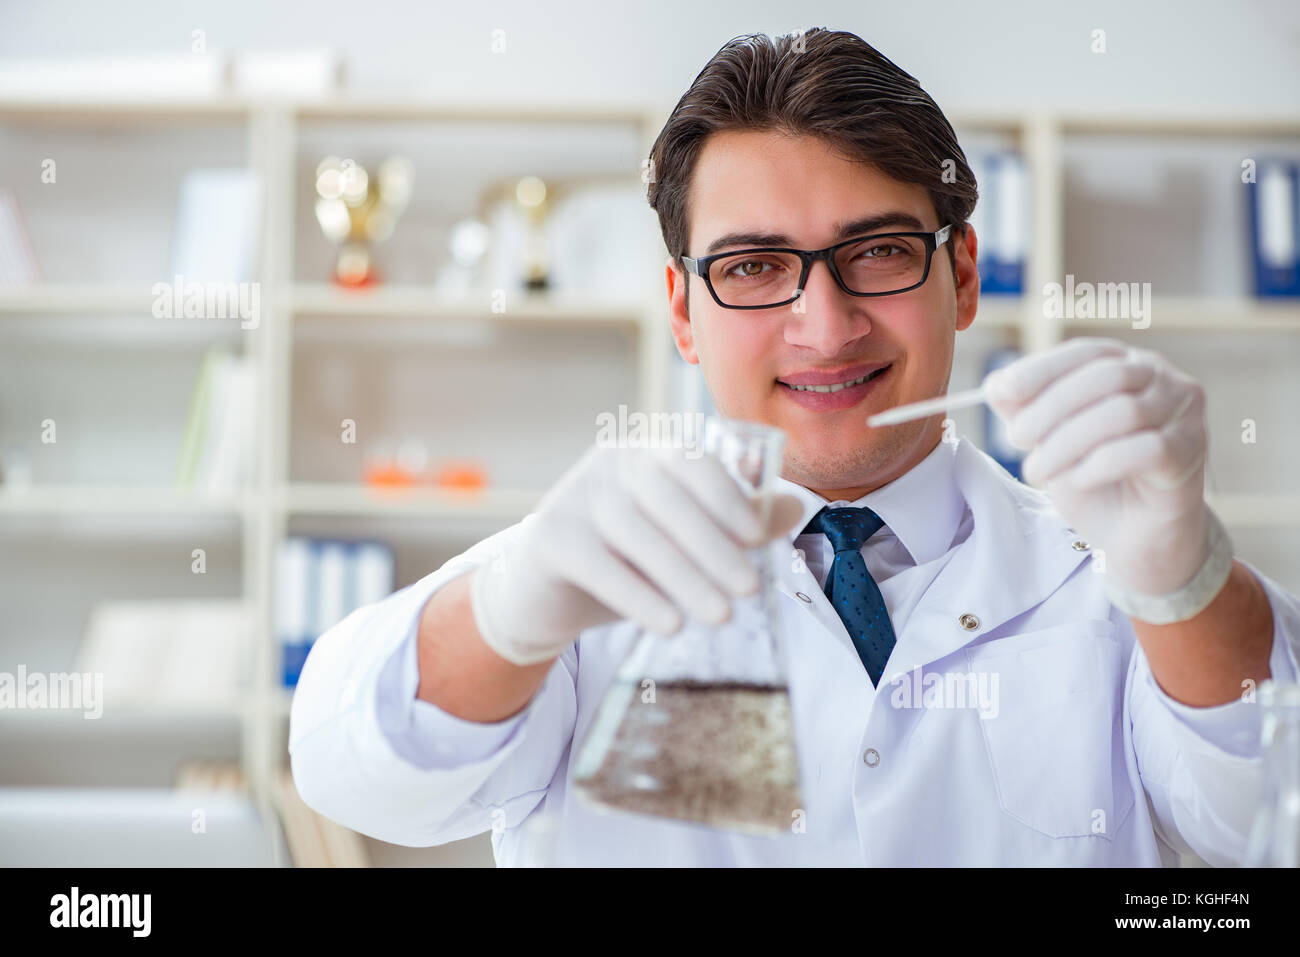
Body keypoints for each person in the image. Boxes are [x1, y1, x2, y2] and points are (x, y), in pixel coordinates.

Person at [289, 27, 1299, 866]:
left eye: (878, 253)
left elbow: (1262, 812)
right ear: (682, 309)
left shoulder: (1109, 580)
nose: (825, 325)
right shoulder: (578, 585)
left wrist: (1185, 580)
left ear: (961, 275)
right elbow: (359, 773)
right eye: (756, 266)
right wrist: (512, 610)